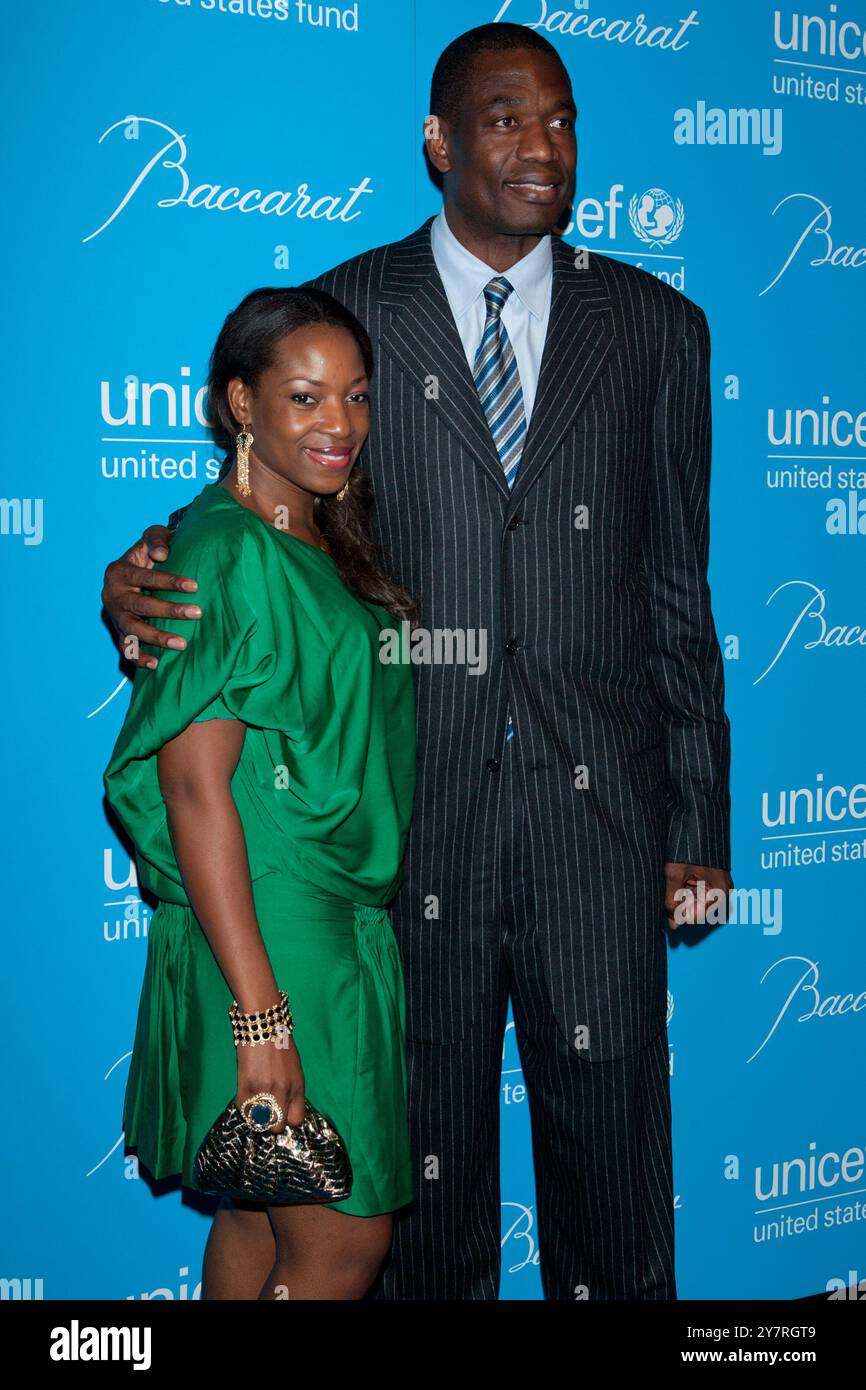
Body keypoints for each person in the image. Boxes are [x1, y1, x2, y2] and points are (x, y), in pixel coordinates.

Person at [102, 23, 733, 1300]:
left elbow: (676, 584)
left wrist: (697, 820)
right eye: (503, 119)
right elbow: (255, 520)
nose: (538, 146)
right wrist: (128, 577)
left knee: (615, 1173)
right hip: (408, 834)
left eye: (557, 119)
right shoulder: (352, 312)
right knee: (411, 1194)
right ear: (438, 141)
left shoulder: (657, 327)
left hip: (597, 825)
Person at [103, 287, 418, 1300]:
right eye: (306, 397)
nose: (340, 424)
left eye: (357, 397)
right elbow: (193, 789)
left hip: (323, 922)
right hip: (277, 933)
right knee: (340, 1245)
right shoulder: (227, 551)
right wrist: (260, 1018)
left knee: (259, 1208)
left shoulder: (309, 531)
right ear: (241, 404)